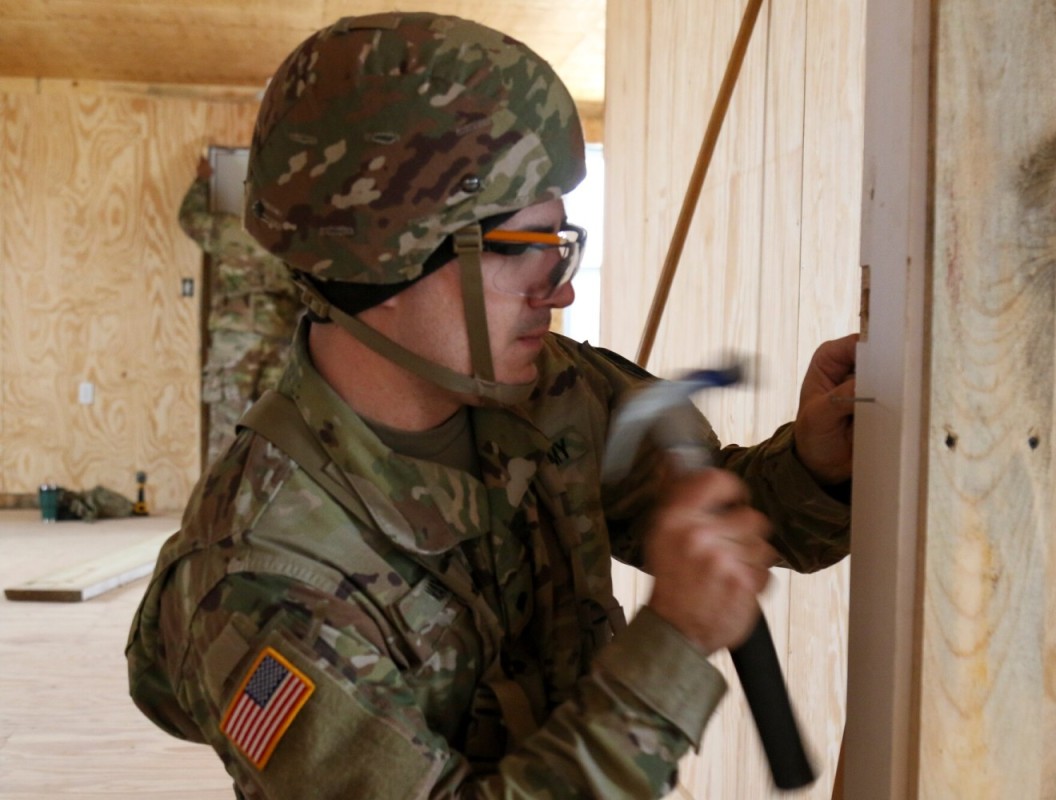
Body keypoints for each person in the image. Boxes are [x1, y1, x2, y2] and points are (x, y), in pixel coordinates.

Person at [127, 12, 858, 799]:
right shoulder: (265, 576)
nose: (564, 288)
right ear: (386, 260)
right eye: (526, 253)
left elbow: (718, 530)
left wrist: (814, 465)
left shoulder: (550, 392)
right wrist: (672, 648)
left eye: (562, 247)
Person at [178, 155, 304, 467]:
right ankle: (267, 504)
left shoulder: (229, 229)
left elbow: (190, 219)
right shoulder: (292, 239)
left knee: (225, 421)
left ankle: (216, 507)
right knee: (277, 424)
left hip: (235, 338)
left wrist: (202, 181)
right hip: (279, 334)